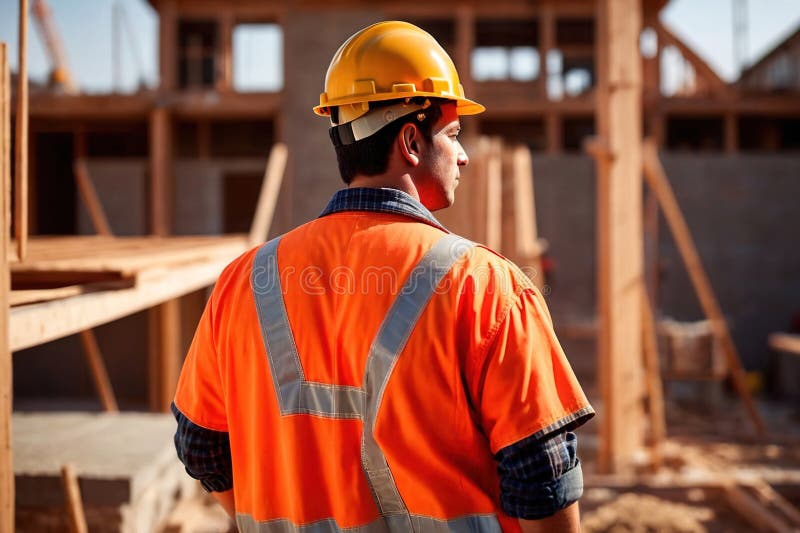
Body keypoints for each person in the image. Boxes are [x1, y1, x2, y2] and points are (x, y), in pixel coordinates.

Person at [172, 21, 594, 533]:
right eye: (454, 134)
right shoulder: (488, 288)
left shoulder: (242, 282)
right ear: (412, 141)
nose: (463, 155)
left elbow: (202, 448)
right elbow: (542, 482)